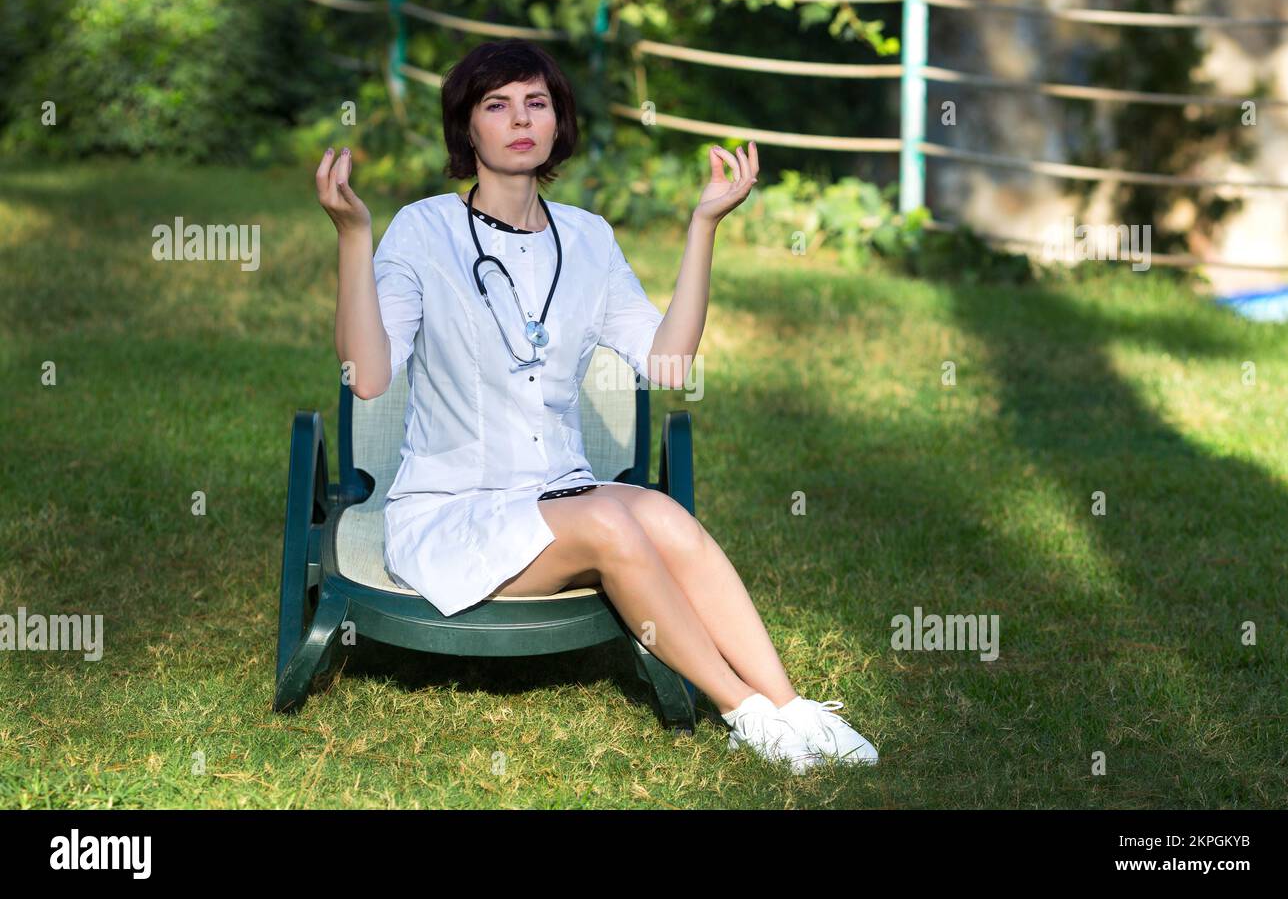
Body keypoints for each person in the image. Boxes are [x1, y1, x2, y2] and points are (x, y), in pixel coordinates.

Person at [316, 38, 878, 773]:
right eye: (497, 106)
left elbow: (668, 364)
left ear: (558, 124)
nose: (520, 118)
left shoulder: (588, 237)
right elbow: (366, 375)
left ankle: (790, 704)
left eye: (537, 103)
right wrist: (354, 237)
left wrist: (703, 226)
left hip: (559, 497)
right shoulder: (423, 231)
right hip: (454, 515)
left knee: (665, 516)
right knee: (614, 516)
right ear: (469, 129)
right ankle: (744, 713)